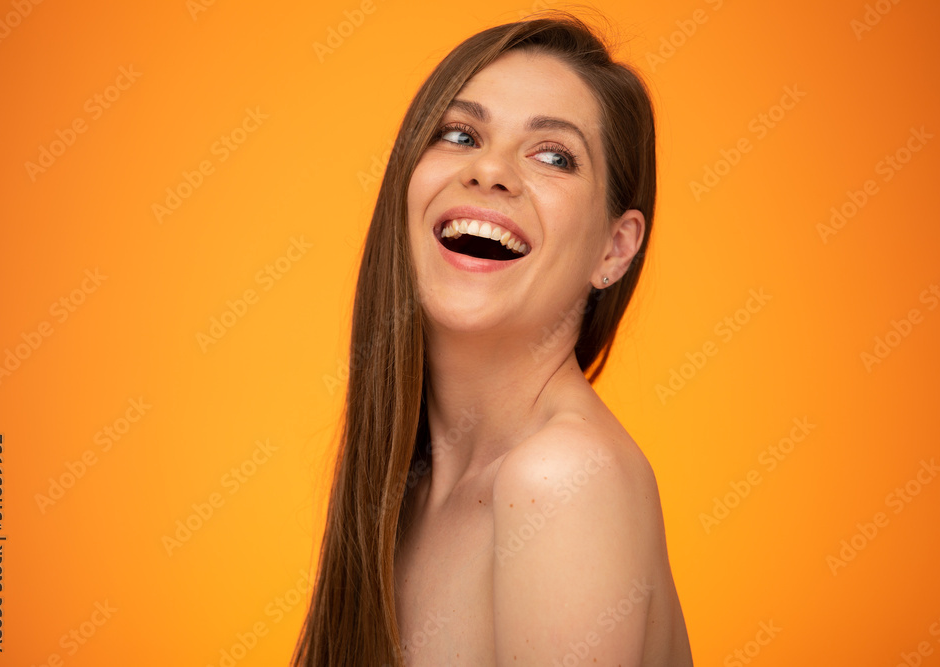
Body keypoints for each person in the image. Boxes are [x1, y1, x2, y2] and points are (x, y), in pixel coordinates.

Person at [293, 11, 693, 666]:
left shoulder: (562, 479)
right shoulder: (410, 479)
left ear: (613, 251)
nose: (490, 170)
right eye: (458, 134)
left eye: (554, 156)